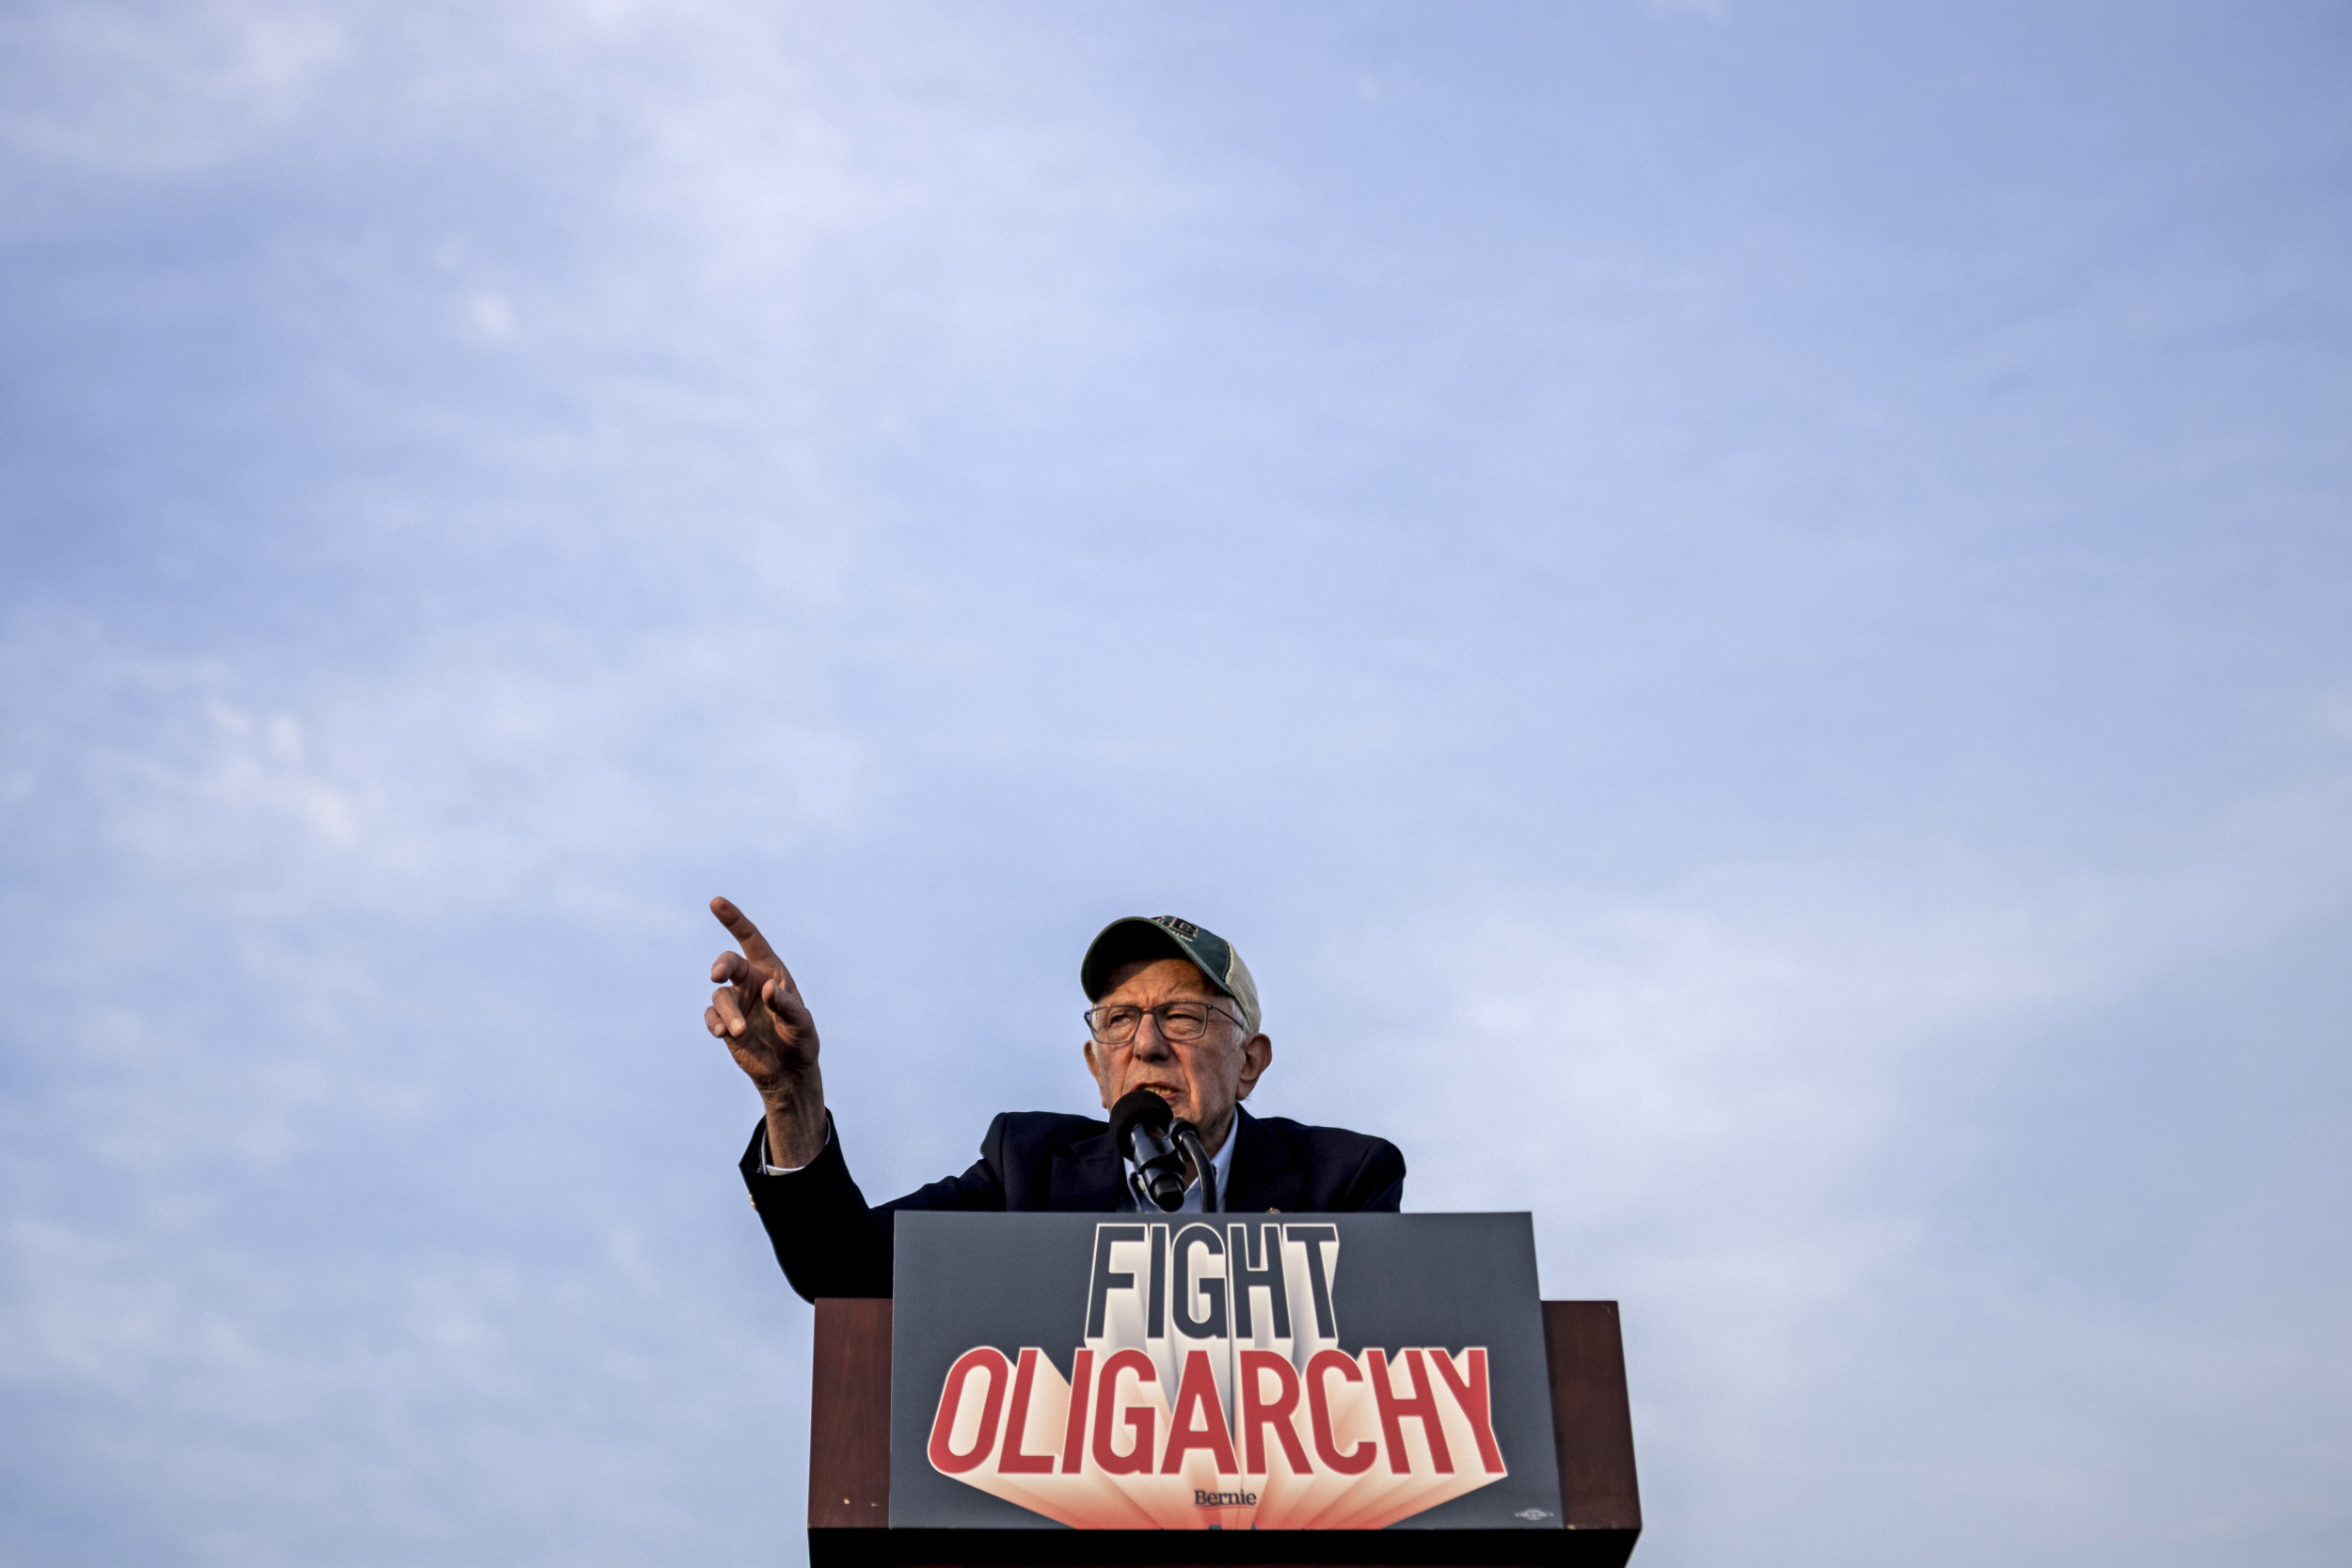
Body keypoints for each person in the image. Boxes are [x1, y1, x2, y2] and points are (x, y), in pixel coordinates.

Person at [703, 896, 1406, 1301]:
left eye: (1185, 1017)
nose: (1149, 1045)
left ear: (1250, 1063)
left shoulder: (1342, 1178)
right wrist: (790, 1095)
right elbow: (844, 1273)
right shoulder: (1028, 1169)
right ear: (1097, 1069)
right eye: (1119, 1021)